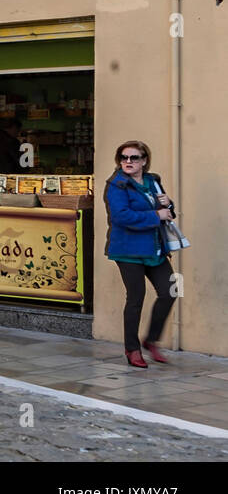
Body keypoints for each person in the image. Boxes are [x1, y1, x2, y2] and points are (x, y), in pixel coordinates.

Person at [104, 140, 179, 368]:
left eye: (134, 158)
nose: (128, 162)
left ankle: (151, 340)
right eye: (124, 158)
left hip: (154, 248)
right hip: (127, 250)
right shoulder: (116, 185)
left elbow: (166, 213)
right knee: (136, 298)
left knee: (170, 291)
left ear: (144, 161)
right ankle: (132, 349)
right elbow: (121, 216)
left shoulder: (152, 181)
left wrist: (170, 205)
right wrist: (157, 215)